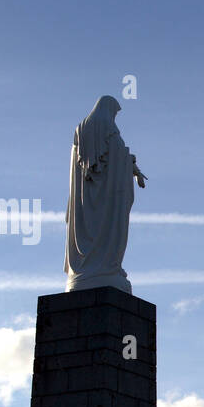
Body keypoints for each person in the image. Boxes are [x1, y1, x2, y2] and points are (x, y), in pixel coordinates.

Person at [64, 95, 146, 293]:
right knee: (108, 228)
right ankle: (104, 269)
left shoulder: (80, 131)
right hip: (108, 197)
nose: (115, 117)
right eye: (115, 113)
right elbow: (117, 155)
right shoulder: (108, 128)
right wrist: (132, 167)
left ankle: (86, 270)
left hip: (84, 201)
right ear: (109, 110)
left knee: (89, 229)